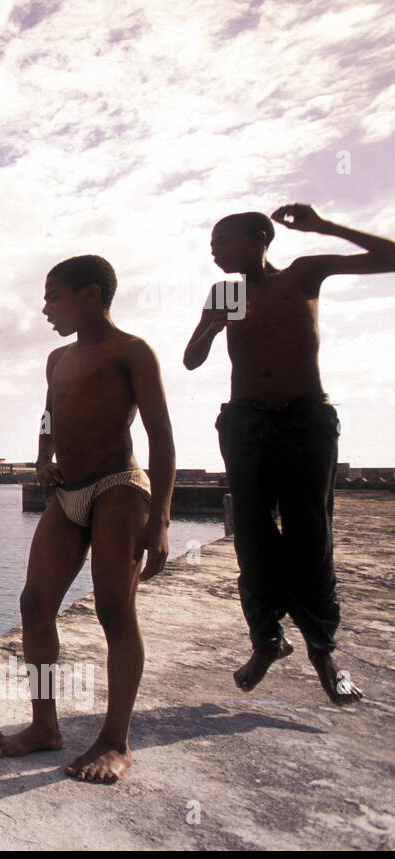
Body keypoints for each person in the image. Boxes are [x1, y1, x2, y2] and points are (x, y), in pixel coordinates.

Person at [185, 204, 394, 704]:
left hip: (305, 417)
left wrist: (325, 226)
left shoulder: (303, 275)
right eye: (212, 245)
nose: (215, 251)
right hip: (246, 420)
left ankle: (323, 651)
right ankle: (267, 640)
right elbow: (191, 360)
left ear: (262, 237)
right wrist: (212, 326)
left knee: (310, 532)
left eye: (225, 241)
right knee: (252, 534)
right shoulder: (226, 294)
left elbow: (389, 257)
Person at [0, 255, 175, 784]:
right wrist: (43, 456)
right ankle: (45, 725)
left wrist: (160, 518)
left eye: (54, 296)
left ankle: (116, 740)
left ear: (91, 295)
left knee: (115, 611)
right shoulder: (56, 359)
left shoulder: (132, 352)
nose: (45, 307)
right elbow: (50, 412)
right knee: (34, 605)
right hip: (67, 491)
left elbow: (161, 436)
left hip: (118, 486)